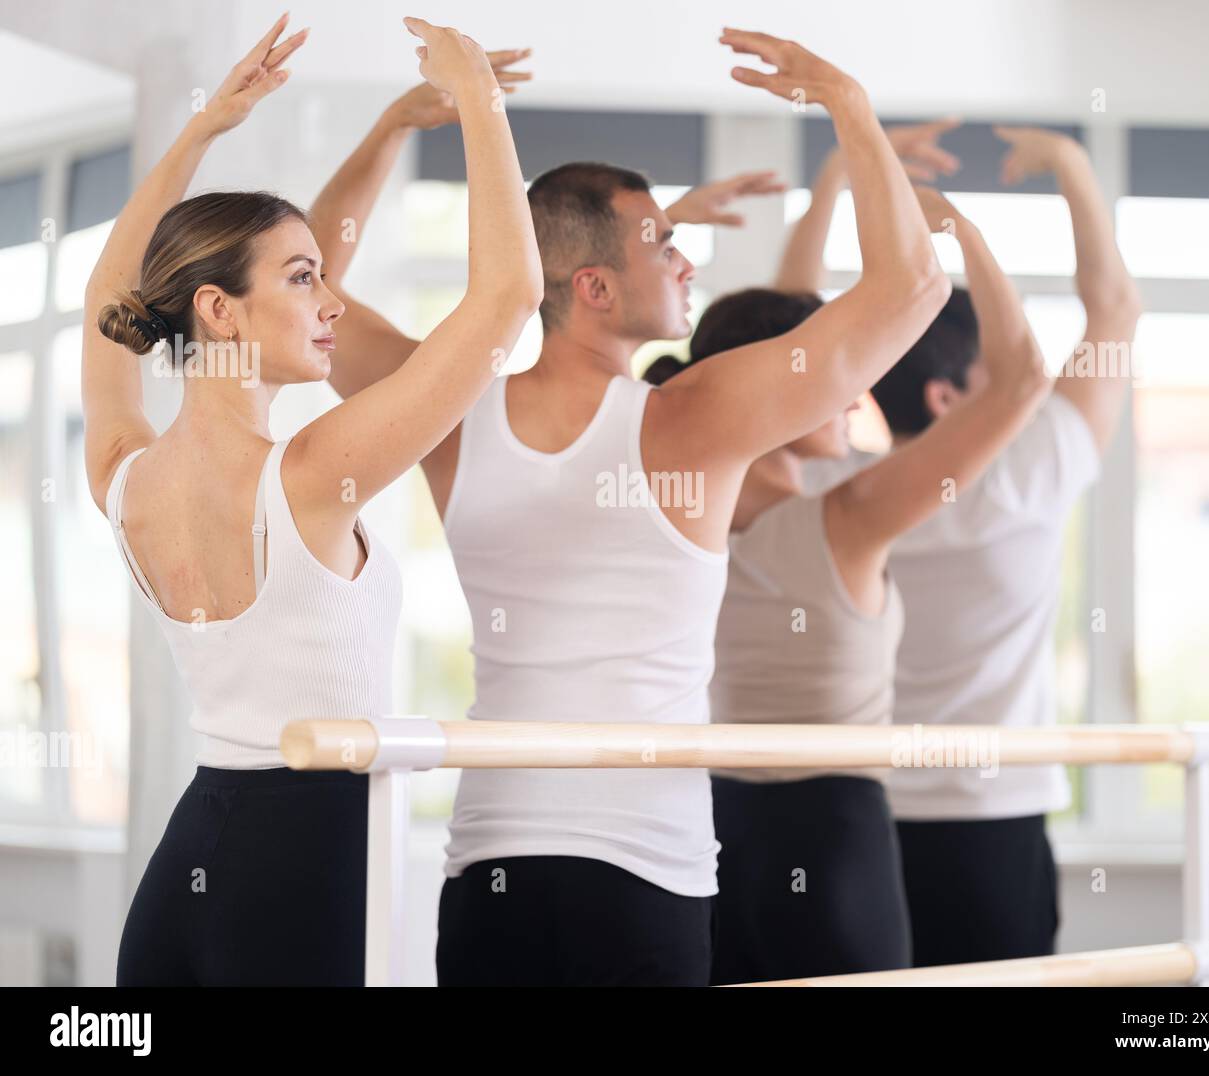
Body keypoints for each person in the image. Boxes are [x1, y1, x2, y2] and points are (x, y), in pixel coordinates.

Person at [309, 28, 949, 986]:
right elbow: (912, 289)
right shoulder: (695, 416)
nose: (688, 263)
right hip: (644, 878)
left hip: (490, 870)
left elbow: (314, 281)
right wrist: (849, 106)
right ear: (594, 288)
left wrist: (396, 126)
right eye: (667, 244)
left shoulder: (443, 412)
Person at [86, 15, 541, 985]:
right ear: (218, 307)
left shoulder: (122, 471)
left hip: (191, 864)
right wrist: (475, 96)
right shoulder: (309, 472)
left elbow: (103, 301)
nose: (332, 302)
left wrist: (206, 127)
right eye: (303, 278)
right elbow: (506, 297)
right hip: (304, 866)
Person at [646, 180, 1050, 984]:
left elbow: (770, 333)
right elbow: (1020, 380)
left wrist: (830, 188)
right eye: (831, 375)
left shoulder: (676, 511)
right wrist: (963, 232)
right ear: (787, 387)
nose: (853, 393)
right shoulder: (850, 514)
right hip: (833, 843)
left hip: (712, 834)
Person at [787, 126, 1143, 967]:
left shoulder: (825, 489)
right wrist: (1072, 166)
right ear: (949, 396)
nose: (1021, 393)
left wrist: (837, 178)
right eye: (997, 377)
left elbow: (781, 330)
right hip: (994, 820)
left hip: (860, 819)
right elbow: (1116, 310)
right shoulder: (1034, 465)